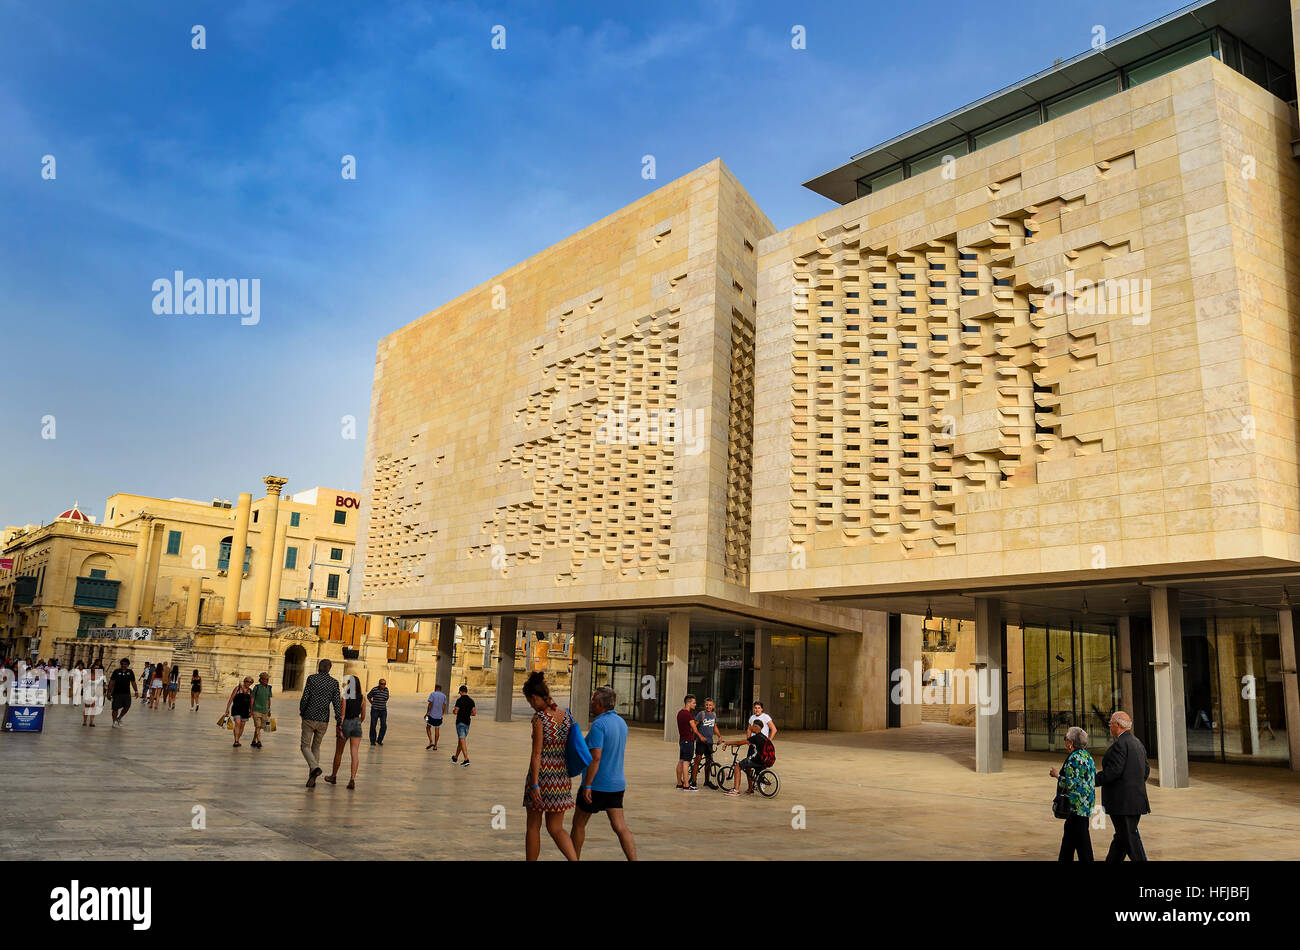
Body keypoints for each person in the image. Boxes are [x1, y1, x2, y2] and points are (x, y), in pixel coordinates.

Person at [571, 685, 636, 860]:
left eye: (593, 699)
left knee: (578, 824)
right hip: (616, 784)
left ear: (600, 704)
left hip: (597, 785)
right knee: (620, 827)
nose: (591, 702)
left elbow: (596, 757)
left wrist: (587, 785)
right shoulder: (622, 723)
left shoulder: (599, 724)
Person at [521, 671, 578, 861]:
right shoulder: (566, 716)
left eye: (529, 701)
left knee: (533, 826)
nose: (530, 705)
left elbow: (537, 753)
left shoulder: (540, 719)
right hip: (561, 777)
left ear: (535, 697)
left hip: (543, 777)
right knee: (556, 828)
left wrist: (535, 784)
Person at [1095, 710, 1150, 862]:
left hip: (1122, 802)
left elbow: (1113, 771)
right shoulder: (1137, 743)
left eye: (1110, 724)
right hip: (1136, 799)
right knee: (1122, 837)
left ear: (1117, 725)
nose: (1110, 727)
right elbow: (1145, 770)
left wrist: (1092, 780)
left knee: (1129, 838)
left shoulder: (1120, 745)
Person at [1049, 725, 1096, 862]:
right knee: (1070, 835)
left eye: (1065, 738)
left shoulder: (1074, 758)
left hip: (1076, 806)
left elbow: (1071, 784)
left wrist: (1057, 775)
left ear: (1070, 743)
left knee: (1082, 841)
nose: (1065, 741)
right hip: (1086, 804)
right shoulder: (1088, 756)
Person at [299, 659, 343, 788]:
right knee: (316, 747)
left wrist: (302, 710)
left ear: (319, 667)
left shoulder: (312, 679)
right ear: (329, 668)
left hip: (309, 716)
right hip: (323, 719)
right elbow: (336, 702)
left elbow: (305, 696)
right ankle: (312, 778)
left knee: (305, 746)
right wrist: (338, 719)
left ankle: (314, 767)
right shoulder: (334, 683)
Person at [325, 674, 365, 789]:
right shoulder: (362, 698)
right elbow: (363, 716)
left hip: (346, 723)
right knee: (355, 753)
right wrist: (357, 723)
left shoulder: (345, 697)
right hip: (357, 724)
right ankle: (352, 779)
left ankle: (333, 776)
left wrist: (340, 726)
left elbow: (342, 714)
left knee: (339, 752)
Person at [722, 718, 770, 795]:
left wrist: (728, 743)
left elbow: (740, 742)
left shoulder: (755, 737)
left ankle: (736, 790)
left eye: (752, 726)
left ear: (756, 727)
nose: (751, 727)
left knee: (737, 766)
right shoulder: (764, 737)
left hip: (757, 759)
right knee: (748, 768)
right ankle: (750, 789)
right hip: (763, 760)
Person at [693, 698, 723, 789]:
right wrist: (699, 736)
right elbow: (694, 725)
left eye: (710, 705)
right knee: (697, 761)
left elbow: (715, 727)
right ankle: (693, 781)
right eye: (706, 705)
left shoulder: (713, 715)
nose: (708, 706)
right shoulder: (701, 714)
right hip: (700, 741)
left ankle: (707, 781)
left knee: (709, 762)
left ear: (713, 706)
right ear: (704, 705)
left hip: (709, 742)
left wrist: (719, 736)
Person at [675, 695, 700, 790]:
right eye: (694, 703)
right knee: (686, 762)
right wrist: (701, 737)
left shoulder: (680, 713)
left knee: (681, 761)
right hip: (688, 740)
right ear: (688, 703)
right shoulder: (688, 715)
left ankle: (679, 783)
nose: (695, 704)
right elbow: (694, 729)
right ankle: (686, 785)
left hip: (682, 740)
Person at [224, 676, 254, 748]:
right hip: (236, 709)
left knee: (242, 725)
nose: (249, 683)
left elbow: (251, 703)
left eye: (250, 682)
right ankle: (236, 741)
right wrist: (227, 709)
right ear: (244, 681)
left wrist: (251, 711)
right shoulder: (237, 688)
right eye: (247, 681)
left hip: (245, 710)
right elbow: (231, 698)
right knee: (237, 723)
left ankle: (238, 739)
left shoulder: (250, 691)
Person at [109, 658, 138, 727]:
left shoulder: (130, 672)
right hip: (116, 693)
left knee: (127, 707)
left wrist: (136, 691)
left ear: (128, 665)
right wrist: (109, 692)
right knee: (115, 708)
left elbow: (133, 682)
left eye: (125, 664)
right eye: (122, 664)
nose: (123, 665)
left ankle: (119, 718)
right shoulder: (116, 671)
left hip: (126, 693)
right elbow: (112, 682)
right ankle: (114, 721)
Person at [451, 684, 475, 767]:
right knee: (461, 741)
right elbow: (474, 713)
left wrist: (454, 711)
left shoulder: (459, 700)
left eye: (459, 692)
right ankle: (455, 757)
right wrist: (468, 713)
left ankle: (466, 759)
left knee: (462, 740)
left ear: (461, 692)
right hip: (467, 723)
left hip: (460, 723)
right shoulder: (471, 701)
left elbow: (456, 711)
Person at [250, 672, 273, 749]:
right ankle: (259, 741)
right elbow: (252, 698)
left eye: (267, 679)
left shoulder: (269, 688)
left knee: (259, 727)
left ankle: (254, 740)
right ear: (261, 679)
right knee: (258, 725)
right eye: (266, 679)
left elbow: (268, 699)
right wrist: (251, 709)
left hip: (265, 711)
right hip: (256, 710)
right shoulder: (256, 687)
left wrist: (269, 709)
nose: (267, 680)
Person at [367, 678, 389, 746]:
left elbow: (386, 698)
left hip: (383, 710)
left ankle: (379, 740)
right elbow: (368, 696)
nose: (383, 685)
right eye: (382, 684)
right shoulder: (374, 689)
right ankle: (373, 740)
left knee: (384, 726)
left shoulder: (386, 690)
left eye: (384, 684)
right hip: (375, 710)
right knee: (373, 725)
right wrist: (372, 703)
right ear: (379, 684)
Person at [425, 683, 448, 750]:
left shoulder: (432, 694)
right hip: (439, 716)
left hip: (431, 715)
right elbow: (444, 706)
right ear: (440, 689)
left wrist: (427, 712)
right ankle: (435, 745)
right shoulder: (444, 696)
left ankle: (431, 741)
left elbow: (430, 704)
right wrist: (442, 714)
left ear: (435, 688)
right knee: (437, 729)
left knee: (428, 727)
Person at [83, 661, 105, 727]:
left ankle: (91, 722)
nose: (96, 670)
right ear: (92, 668)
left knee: (93, 707)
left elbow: (102, 684)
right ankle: (84, 721)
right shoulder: (87, 675)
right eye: (94, 668)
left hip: (95, 692)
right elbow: (84, 683)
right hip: (88, 692)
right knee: (87, 706)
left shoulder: (100, 676)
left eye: (97, 669)